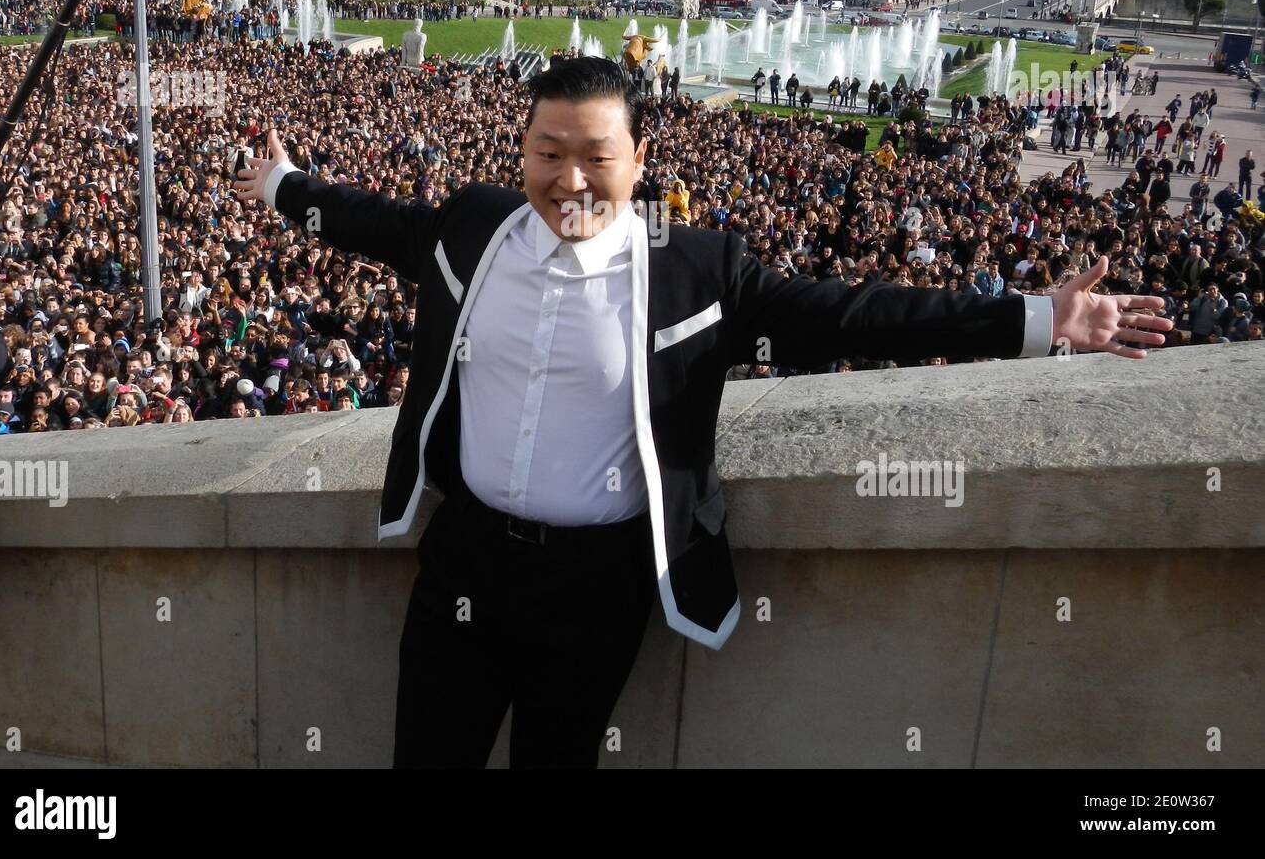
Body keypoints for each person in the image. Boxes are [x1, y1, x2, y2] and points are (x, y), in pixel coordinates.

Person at [234, 54, 1172, 770]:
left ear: (639, 159)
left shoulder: (695, 267)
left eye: (595, 157)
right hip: (463, 559)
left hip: (599, 584)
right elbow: (369, 221)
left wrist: (1038, 318)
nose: (569, 180)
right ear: (520, 150)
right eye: (547, 153)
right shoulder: (474, 225)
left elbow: (845, 311)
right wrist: (283, 187)